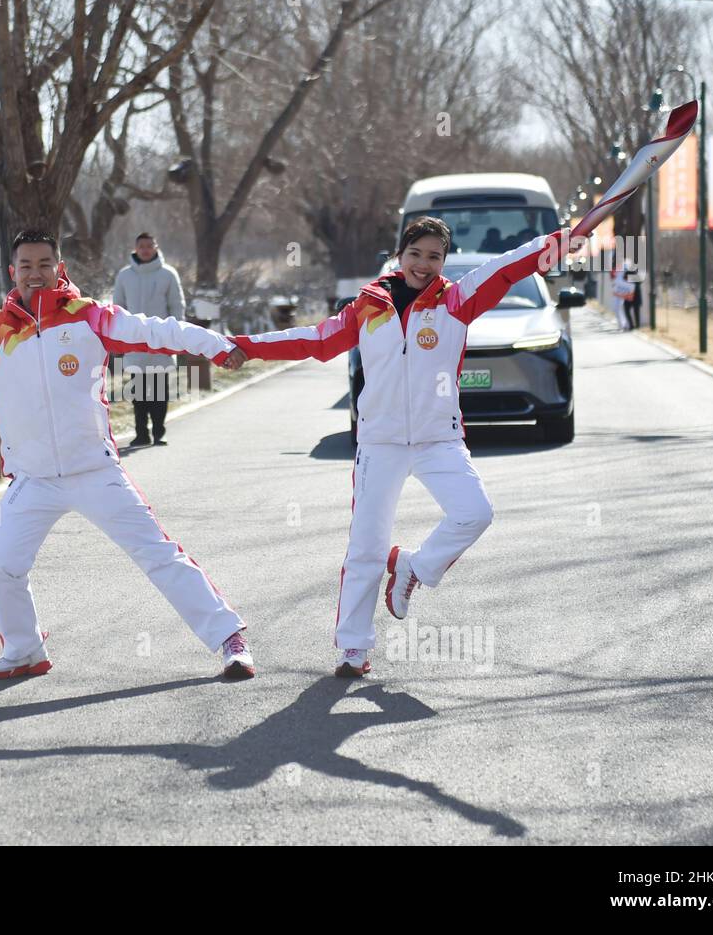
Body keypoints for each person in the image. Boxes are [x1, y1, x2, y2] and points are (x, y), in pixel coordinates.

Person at [0, 229, 256, 679]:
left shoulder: (89, 317)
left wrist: (218, 346)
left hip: (94, 470)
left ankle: (230, 638)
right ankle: (24, 649)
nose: (35, 273)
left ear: (59, 268)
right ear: (12, 273)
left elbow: (158, 330)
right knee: (2, 564)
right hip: (33, 479)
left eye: (44, 264)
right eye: (25, 266)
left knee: (158, 554)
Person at [232, 217, 580, 678]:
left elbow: (511, 266)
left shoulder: (457, 301)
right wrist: (247, 346)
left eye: (434, 256)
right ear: (400, 255)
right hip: (381, 442)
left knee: (475, 513)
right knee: (366, 550)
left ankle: (415, 567)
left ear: (444, 262)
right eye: (416, 254)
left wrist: (561, 241)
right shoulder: (369, 306)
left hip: (440, 440)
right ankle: (352, 649)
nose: (423, 264)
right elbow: (315, 342)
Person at [112, 232, 185, 446]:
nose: (145, 249)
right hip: (135, 340)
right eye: (141, 246)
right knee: (139, 391)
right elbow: (118, 307)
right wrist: (119, 335)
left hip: (162, 340)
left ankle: (158, 432)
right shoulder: (124, 275)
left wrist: (177, 333)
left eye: (149, 245)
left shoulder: (168, 274)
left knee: (160, 391)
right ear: (135, 249)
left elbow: (177, 305)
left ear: (156, 247)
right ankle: (141, 433)